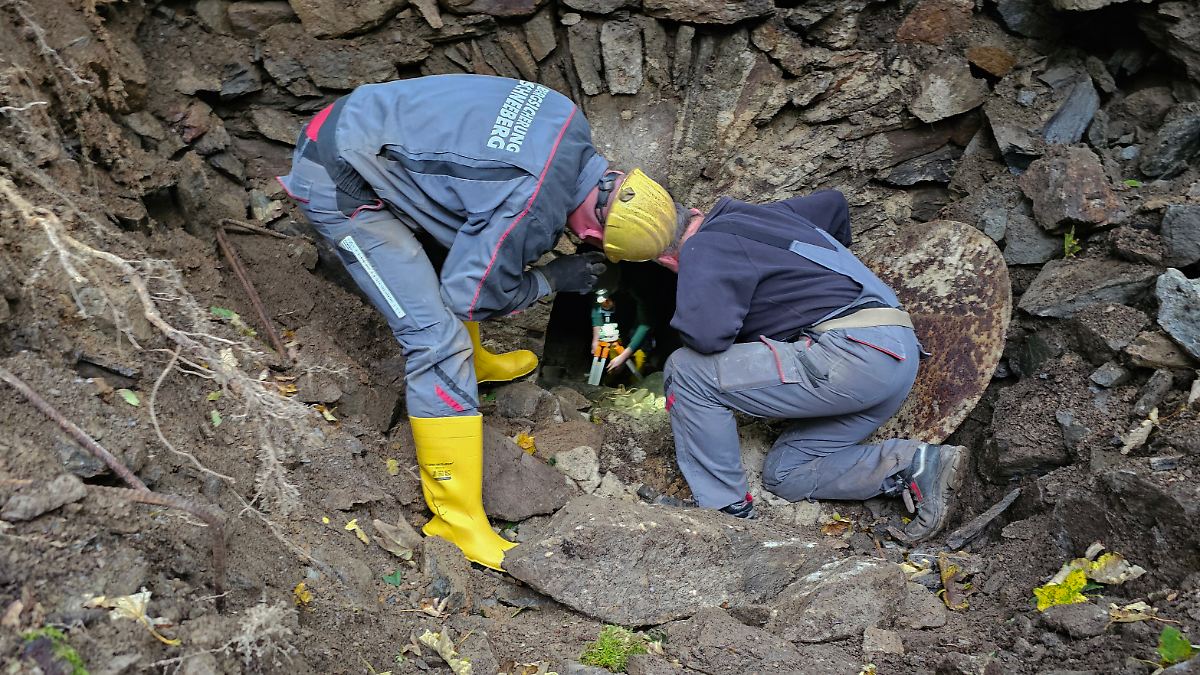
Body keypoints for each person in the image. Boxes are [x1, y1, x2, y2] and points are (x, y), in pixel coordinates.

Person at [277, 74, 680, 570]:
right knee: (436, 340)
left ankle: (478, 364)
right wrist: (552, 278)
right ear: (597, 233)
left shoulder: (568, 118)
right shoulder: (530, 209)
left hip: (367, 124)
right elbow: (469, 297)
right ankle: (455, 520)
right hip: (340, 178)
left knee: (469, 240)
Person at [662, 189, 966, 542]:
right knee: (786, 474)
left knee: (686, 371)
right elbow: (835, 203)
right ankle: (917, 464)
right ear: (693, 210)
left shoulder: (701, 246)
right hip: (894, 356)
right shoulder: (762, 216)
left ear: (668, 261)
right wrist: (809, 286)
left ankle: (725, 512)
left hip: (850, 354)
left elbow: (706, 339)